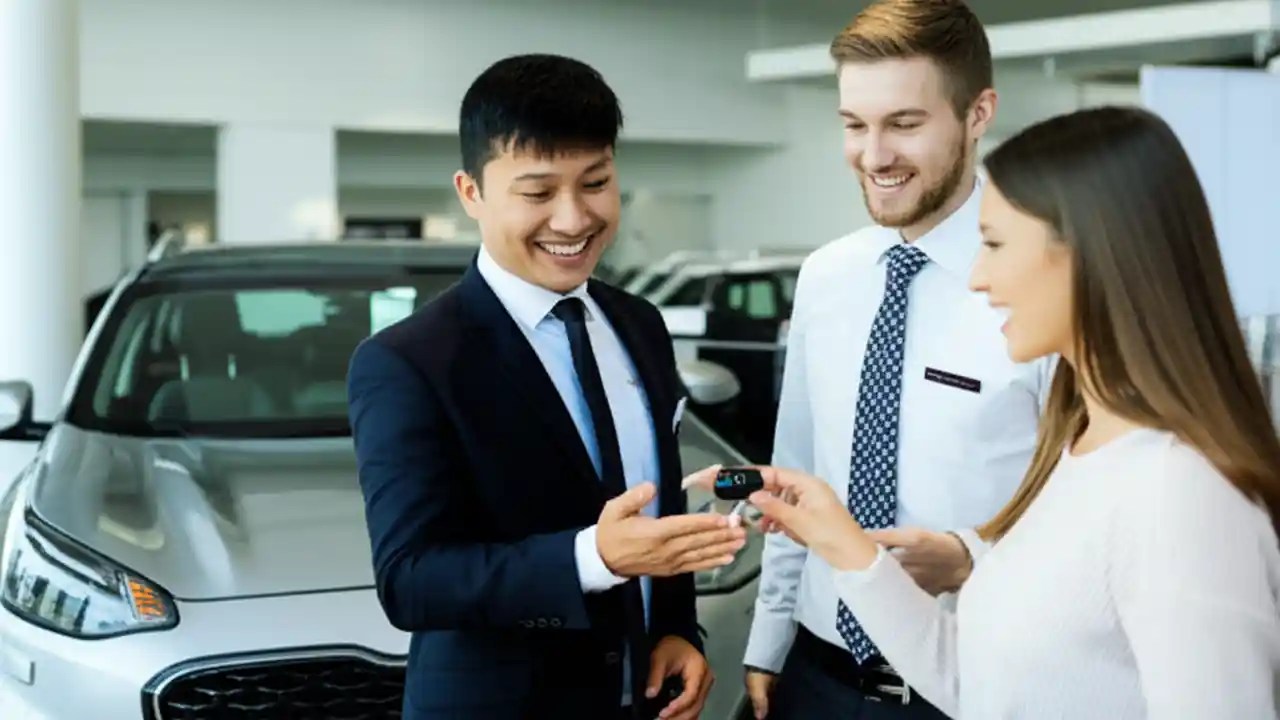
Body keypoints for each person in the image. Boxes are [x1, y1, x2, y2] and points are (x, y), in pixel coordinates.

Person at [713, 106, 1280, 718]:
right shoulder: (1078, 451)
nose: (977, 278)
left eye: (995, 244)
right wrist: (844, 542)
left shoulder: (1183, 493)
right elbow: (977, 685)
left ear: (1092, 255)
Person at [346, 53, 746, 720]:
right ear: (471, 192)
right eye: (537, 193)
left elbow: (653, 498)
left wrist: (677, 626)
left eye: (596, 183)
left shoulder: (638, 324)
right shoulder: (409, 362)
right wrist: (591, 556)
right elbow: (411, 581)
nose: (573, 219)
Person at [741, 1, 1053, 717]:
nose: (874, 155)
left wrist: (974, 554)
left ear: (978, 114)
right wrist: (768, 638)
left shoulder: (1045, 284)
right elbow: (799, 477)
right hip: (816, 675)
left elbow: (1090, 506)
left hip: (976, 680)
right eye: (855, 125)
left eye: (904, 124)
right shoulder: (826, 276)